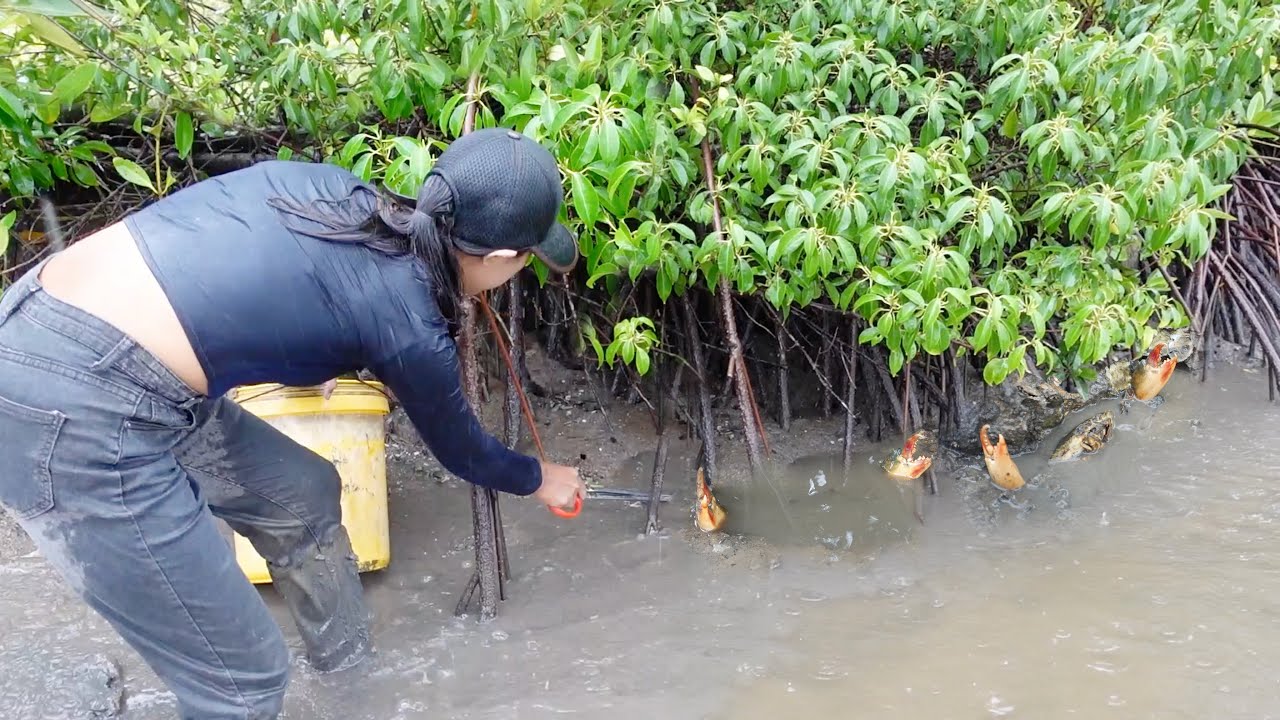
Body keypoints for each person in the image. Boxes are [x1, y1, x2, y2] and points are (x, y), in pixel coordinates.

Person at [0, 126, 588, 718]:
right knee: (243, 684)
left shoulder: (343, 196)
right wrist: (541, 478)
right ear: (499, 259)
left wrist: (318, 361)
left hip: (50, 321)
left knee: (303, 498)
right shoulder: (410, 326)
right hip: (71, 405)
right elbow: (464, 453)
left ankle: (351, 689)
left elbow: (254, 277)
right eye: (527, 260)